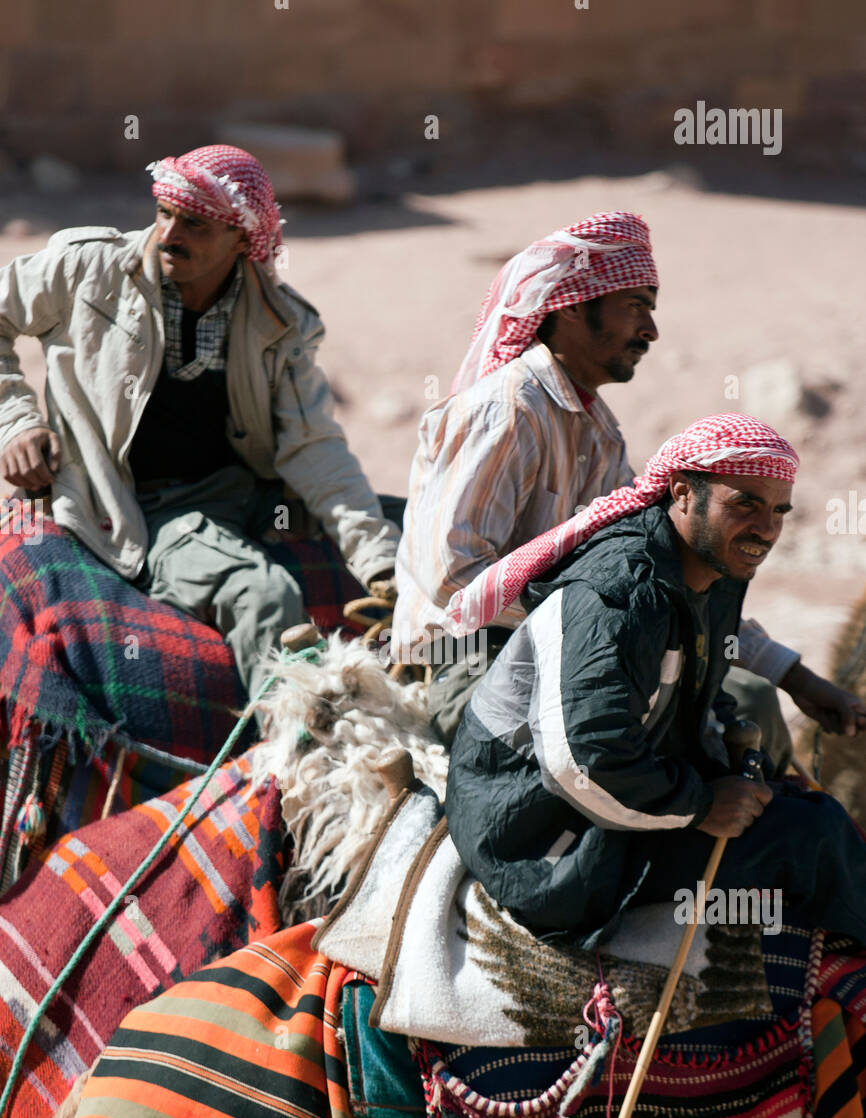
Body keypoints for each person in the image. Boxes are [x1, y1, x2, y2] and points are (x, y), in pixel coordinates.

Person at [391, 212, 859, 759]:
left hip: (571, 644)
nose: (651, 331)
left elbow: (665, 568)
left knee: (749, 702)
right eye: (635, 306)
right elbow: (455, 581)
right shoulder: (506, 410)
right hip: (473, 662)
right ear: (568, 305)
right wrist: (602, 621)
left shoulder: (598, 430)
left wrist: (795, 678)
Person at [444, 414, 866, 948]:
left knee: (800, 808)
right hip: (542, 840)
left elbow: (688, 697)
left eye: (778, 511)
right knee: (812, 838)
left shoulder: (712, 571)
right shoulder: (618, 595)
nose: (767, 529)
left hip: (604, 808)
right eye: (746, 504)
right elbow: (580, 765)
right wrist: (702, 805)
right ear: (683, 494)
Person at [0, 144, 399, 702]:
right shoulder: (88, 269)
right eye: (164, 213)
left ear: (241, 240)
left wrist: (381, 562)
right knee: (260, 593)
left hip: (246, 494)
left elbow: (315, 449)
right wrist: (14, 422)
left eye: (193, 223)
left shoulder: (279, 324)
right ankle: (294, 768)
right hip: (139, 505)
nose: (168, 235)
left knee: (411, 532)